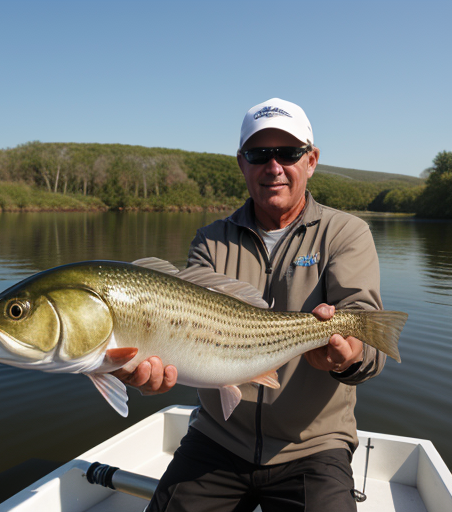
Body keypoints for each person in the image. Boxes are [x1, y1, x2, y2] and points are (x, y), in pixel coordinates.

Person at [111, 98, 385, 511]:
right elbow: (185, 333)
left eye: (288, 153)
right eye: (259, 154)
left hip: (313, 446)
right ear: (242, 163)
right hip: (218, 438)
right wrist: (143, 370)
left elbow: (370, 338)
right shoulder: (210, 238)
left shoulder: (345, 233)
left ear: (310, 161)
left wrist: (348, 357)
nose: (273, 166)